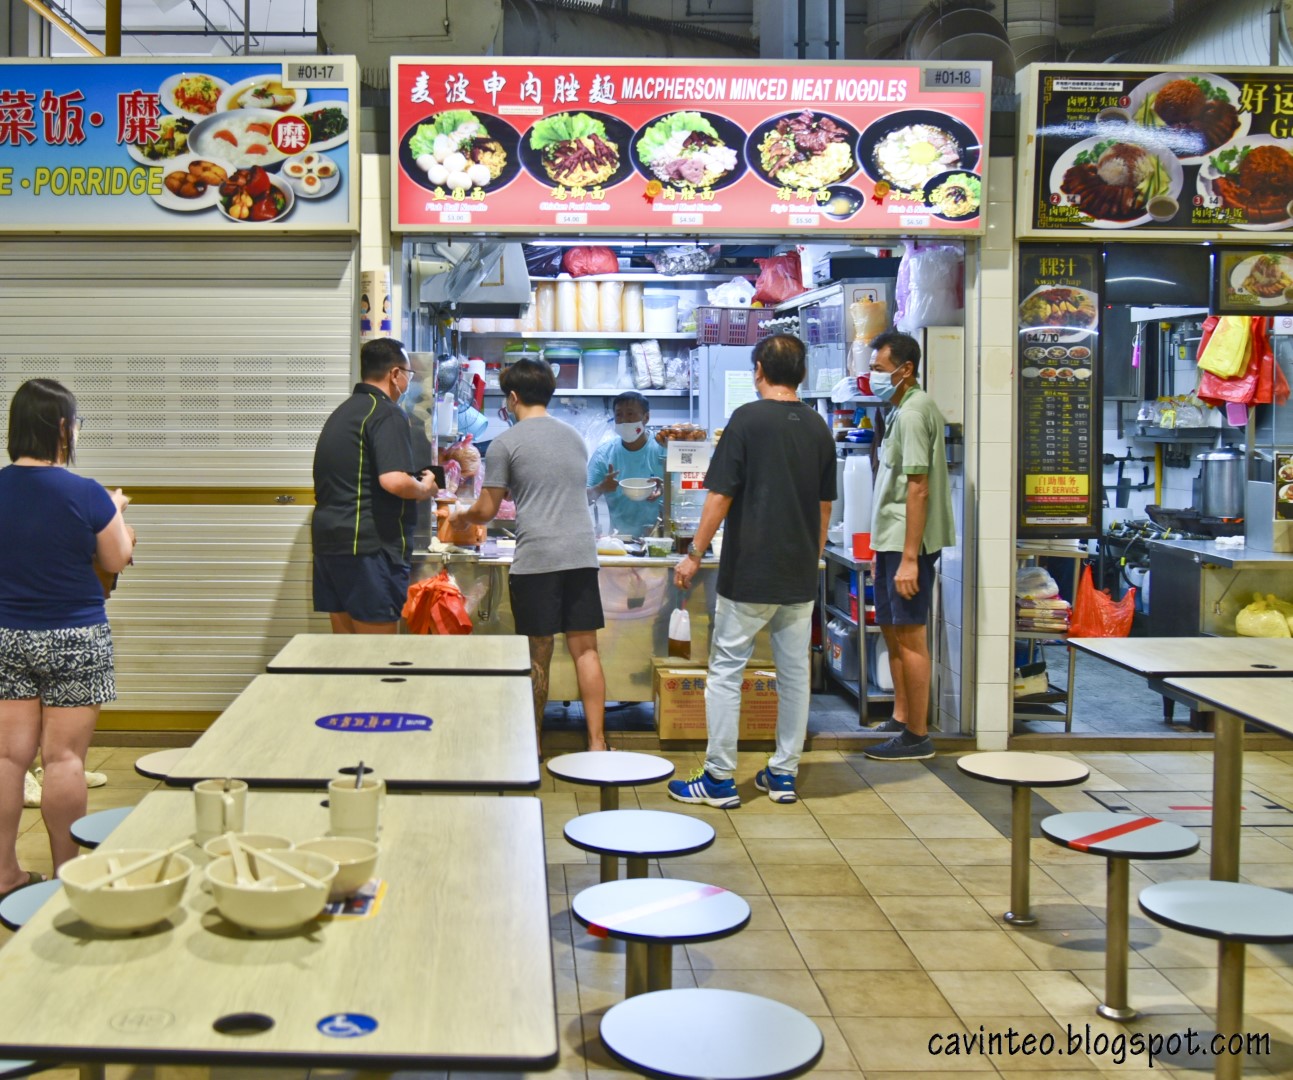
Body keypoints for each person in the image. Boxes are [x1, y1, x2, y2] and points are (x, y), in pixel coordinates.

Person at [667, 335, 836, 808]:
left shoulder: (746, 420)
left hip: (751, 571)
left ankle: (719, 778)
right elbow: (825, 507)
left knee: (725, 672)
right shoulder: (818, 428)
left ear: (759, 368)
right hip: (799, 574)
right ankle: (783, 774)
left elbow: (720, 495)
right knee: (794, 675)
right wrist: (812, 554)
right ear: (800, 371)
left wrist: (695, 553)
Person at [0, 379, 134, 894]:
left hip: (7, 635)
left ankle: (5, 872)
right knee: (64, 758)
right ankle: (65, 874)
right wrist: (115, 510)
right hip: (74, 635)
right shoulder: (87, 493)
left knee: (9, 758)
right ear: (61, 428)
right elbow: (116, 558)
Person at [446, 358, 609, 753]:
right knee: (585, 648)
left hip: (538, 559)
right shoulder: (574, 437)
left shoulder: (506, 441)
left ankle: (532, 745)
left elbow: (486, 509)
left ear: (513, 397)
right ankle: (597, 743)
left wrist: (460, 514)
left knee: (538, 651)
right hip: (582, 554)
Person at [862, 330, 956, 762]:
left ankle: (917, 734)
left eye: (879, 369)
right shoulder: (901, 409)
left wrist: (911, 560)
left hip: (907, 546)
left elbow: (918, 489)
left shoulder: (916, 412)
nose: (873, 376)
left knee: (912, 634)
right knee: (894, 631)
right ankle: (901, 718)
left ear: (906, 369)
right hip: (891, 541)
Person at [312, 338, 437, 634]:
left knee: (347, 654)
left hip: (331, 544)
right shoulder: (386, 412)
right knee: (376, 656)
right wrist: (425, 488)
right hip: (369, 548)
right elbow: (393, 480)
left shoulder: (344, 412)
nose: (409, 381)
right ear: (395, 374)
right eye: (409, 374)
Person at [586, 391, 667, 537]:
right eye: (619, 415)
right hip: (620, 541)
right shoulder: (604, 454)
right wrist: (601, 487)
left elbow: (687, 491)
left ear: (646, 417)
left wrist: (666, 488)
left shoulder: (663, 448)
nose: (624, 420)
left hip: (663, 539)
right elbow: (581, 499)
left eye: (630, 414)